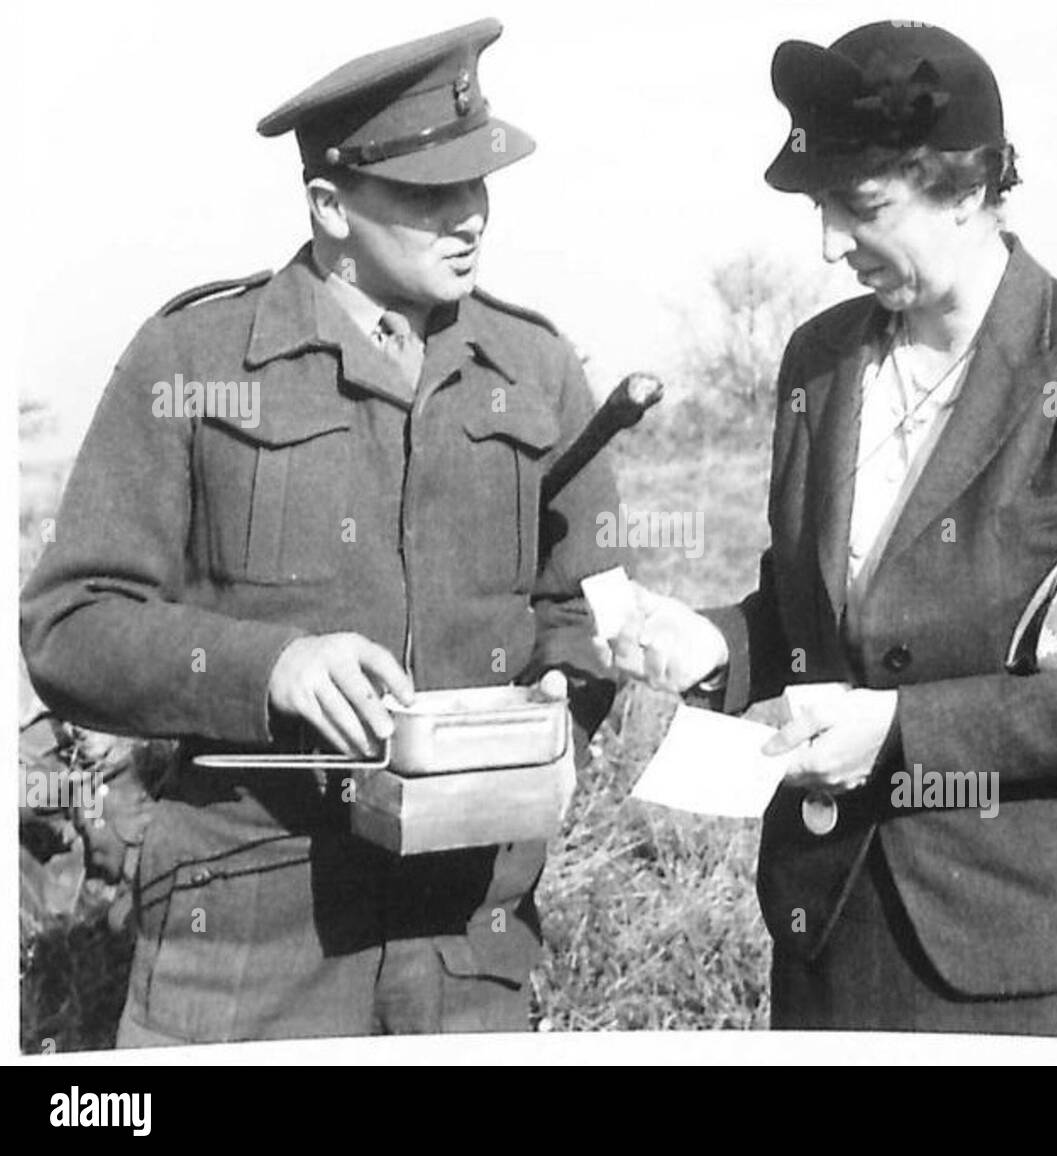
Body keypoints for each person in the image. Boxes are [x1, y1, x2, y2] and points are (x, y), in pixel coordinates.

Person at [609, 21, 1057, 1037]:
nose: (825, 243)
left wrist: (901, 731)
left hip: (1033, 963)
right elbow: (811, 623)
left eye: (859, 206)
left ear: (970, 188)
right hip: (832, 935)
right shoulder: (819, 361)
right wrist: (707, 645)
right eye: (820, 207)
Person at [21, 18, 623, 1043]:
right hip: (246, 948)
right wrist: (273, 667)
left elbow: (582, 602)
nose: (469, 218)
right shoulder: (196, 358)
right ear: (330, 207)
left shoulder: (538, 369)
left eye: (478, 187)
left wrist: (567, 692)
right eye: (429, 195)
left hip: (465, 943)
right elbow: (70, 626)